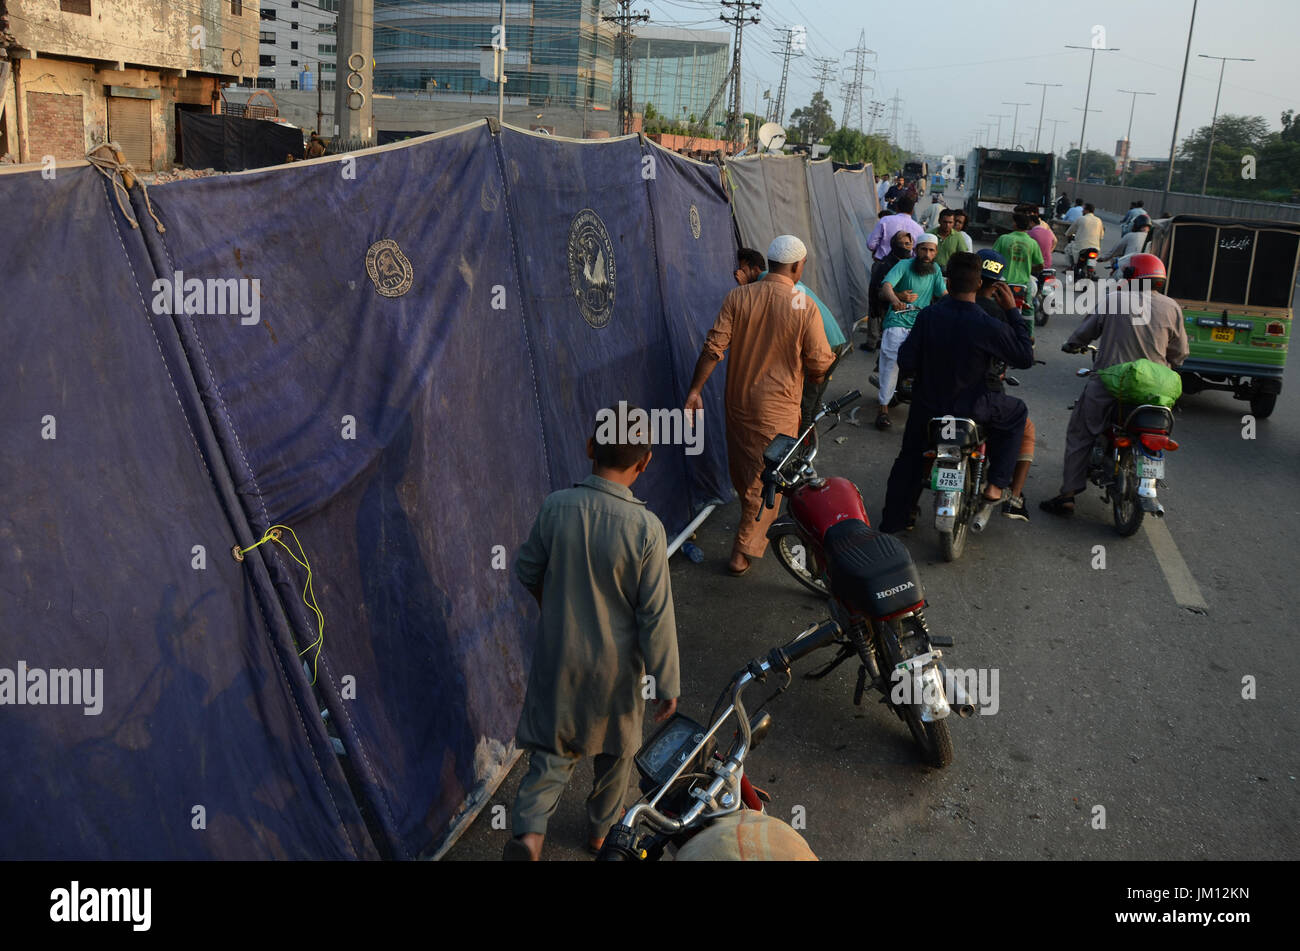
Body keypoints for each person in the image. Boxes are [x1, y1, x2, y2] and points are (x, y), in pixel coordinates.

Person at [507, 412, 681, 861]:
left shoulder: (556, 507)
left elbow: (527, 569)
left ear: (589, 448)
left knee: (550, 753)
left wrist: (555, 606)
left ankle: (528, 837)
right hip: (616, 672)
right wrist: (666, 682)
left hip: (559, 659)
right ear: (645, 463)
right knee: (617, 754)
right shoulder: (647, 530)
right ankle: (603, 834)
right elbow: (656, 614)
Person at [685, 235, 835, 575]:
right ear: (798, 266)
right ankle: (742, 552)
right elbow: (819, 363)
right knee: (766, 479)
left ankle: (751, 529)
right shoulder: (802, 303)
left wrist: (695, 390)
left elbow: (713, 349)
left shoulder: (738, 296)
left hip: (737, 402)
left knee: (746, 473)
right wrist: (819, 370)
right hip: (777, 407)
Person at [878, 253, 1035, 533]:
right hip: (974, 409)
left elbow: (906, 361)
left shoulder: (928, 316)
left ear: (947, 282)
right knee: (1018, 412)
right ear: (977, 285)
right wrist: (1013, 310)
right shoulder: (988, 323)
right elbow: (1024, 356)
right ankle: (997, 485)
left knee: (909, 459)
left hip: (929, 409)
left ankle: (894, 522)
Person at [1039, 253, 1190, 517]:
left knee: (1081, 432)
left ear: (1131, 276)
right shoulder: (1171, 307)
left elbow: (1086, 332)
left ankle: (1068, 495)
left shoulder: (1114, 299)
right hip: (1153, 389)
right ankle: (1149, 481)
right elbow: (1179, 353)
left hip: (1111, 384)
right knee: (1158, 434)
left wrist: (1073, 344)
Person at [736, 249, 848, 429]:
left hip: (821, 345)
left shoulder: (766, 281)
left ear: (755, 268)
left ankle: (799, 450)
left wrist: (744, 289)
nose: (738, 274)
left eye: (742, 269)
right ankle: (810, 444)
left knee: (803, 404)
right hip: (834, 340)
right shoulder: (788, 281)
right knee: (814, 400)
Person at [973, 250, 1038, 519]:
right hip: (982, 397)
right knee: (1021, 421)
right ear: (998, 284)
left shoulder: (941, 308)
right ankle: (1002, 488)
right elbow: (1024, 357)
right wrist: (1012, 311)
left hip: (939, 394)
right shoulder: (998, 318)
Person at [875, 233, 947, 429]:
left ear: (936, 253)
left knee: (933, 363)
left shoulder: (936, 270)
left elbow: (943, 294)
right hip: (897, 320)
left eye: (931, 250)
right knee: (891, 361)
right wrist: (896, 301)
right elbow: (887, 285)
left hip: (922, 322)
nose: (927, 254)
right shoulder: (903, 265)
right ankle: (883, 409)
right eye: (923, 249)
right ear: (916, 250)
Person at [992, 211, 1044, 331]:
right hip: (1024, 284)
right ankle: (1030, 335)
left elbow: (993, 257)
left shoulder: (1003, 239)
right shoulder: (1032, 243)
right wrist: (1028, 268)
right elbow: (1041, 265)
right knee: (1029, 308)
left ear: (1014, 224)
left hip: (1004, 283)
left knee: (993, 306)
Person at [864, 230, 914, 351]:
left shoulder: (913, 264)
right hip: (887, 311)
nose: (905, 247)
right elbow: (877, 293)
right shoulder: (884, 264)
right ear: (894, 245)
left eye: (908, 243)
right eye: (901, 244)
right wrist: (898, 296)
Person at [867, 195, 925, 261]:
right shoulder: (919, 229)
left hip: (883, 264)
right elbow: (917, 253)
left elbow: (871, 244)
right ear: (912, 211)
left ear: (897, 208)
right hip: (905, 267)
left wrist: (878, 250)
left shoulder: (885, 220)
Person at [1063, 202, 1105, 268]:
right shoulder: (1099, 220)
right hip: (1095, 248)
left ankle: (1072, 267)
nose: (1082, 211)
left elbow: (1069, 232)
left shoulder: (1081, 219)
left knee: (1068, 249)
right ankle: (1091, 269)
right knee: (1092, 264)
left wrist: (1067, 234)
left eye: (1083, 209)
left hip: (1081, 248)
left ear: (1087, 210)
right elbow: (1101, 236)